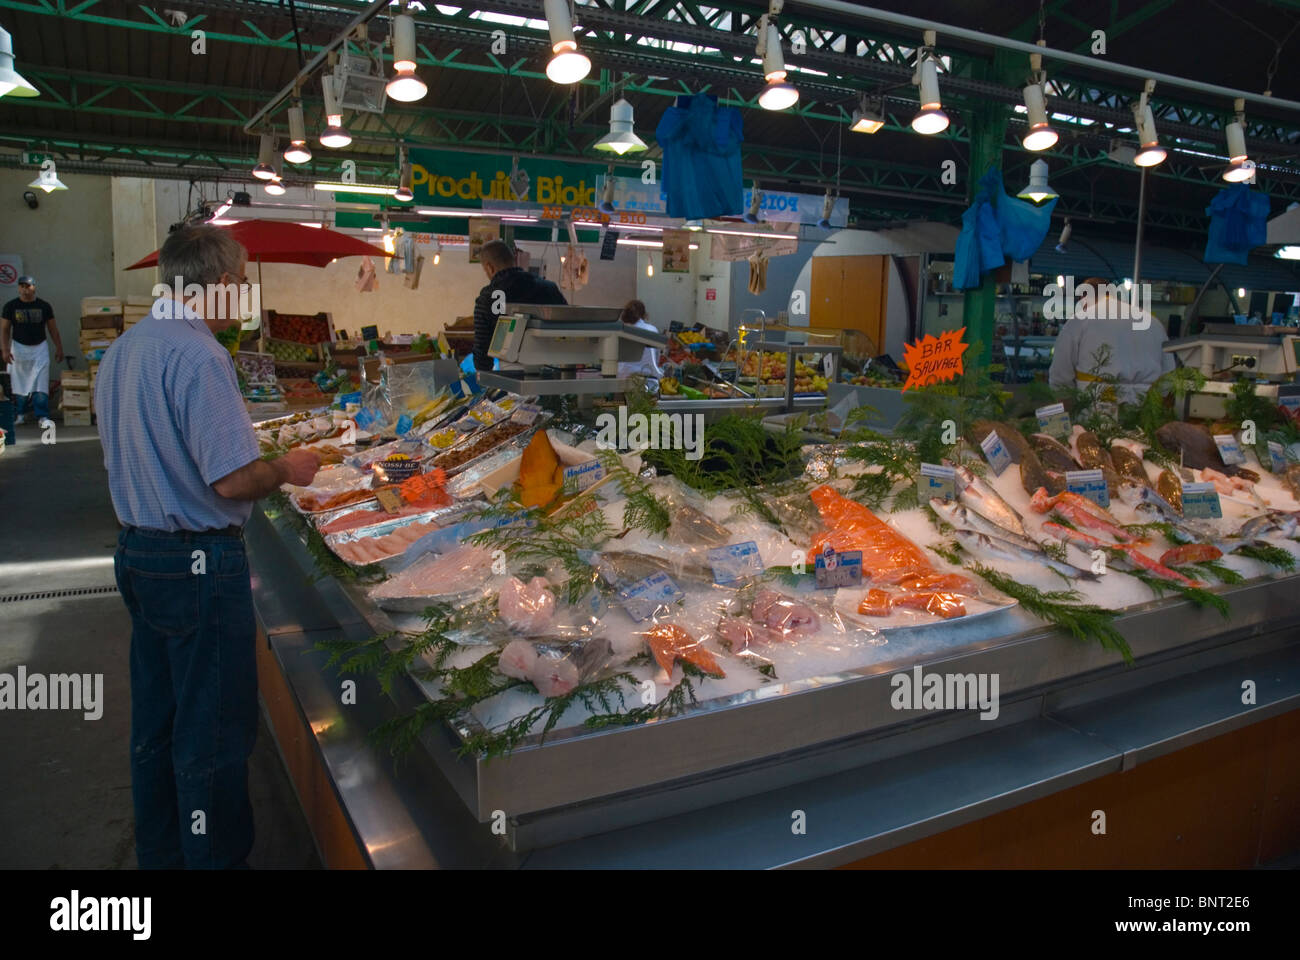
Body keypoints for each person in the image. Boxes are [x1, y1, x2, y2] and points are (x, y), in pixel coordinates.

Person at [96, 225, 321, 869]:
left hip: (139, 554)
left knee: (158, 725)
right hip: (196, 565)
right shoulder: (200, 356)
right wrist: (287, 467)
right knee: (213, 733)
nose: (243, 295)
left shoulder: (126, 349)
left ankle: (163, 856)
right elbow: (231, 479)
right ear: (220, 285)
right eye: (241, 283)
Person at [1048, 277, 1174, 403]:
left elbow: (1060, 373)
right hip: (1146, 404)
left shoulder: (1080, 321)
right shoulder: (1152, 322)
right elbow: (1169, 372)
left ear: (1083, 297)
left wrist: (1066, 404)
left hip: (1096, 404)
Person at [472, 239, 566, 373]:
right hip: (553, 370)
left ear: (489, 268)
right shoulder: (549, 288)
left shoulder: (488, 297)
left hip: (511, 373)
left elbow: (482, 349)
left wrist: (484, 378)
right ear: (513, 260)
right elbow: (567, 328)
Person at [1, 275, 64, 427]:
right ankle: (21, 414)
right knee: (19, 383)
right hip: (19, 349)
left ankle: (42, 415)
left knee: (41, 382)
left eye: (28, 286)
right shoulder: (10, 306)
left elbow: (53, 329)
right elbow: (4, 329)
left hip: (39, 348)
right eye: (22, 286)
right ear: (18, 288)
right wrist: (5, 349)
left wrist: (59, 347)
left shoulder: (44, 306)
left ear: (34, 287)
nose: (25, 289)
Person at [616, 299, 664, 387]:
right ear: (644, 314)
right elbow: (656, 359)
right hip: (649, 382)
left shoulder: (621, 331)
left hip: (624, 381)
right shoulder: (652, 330)